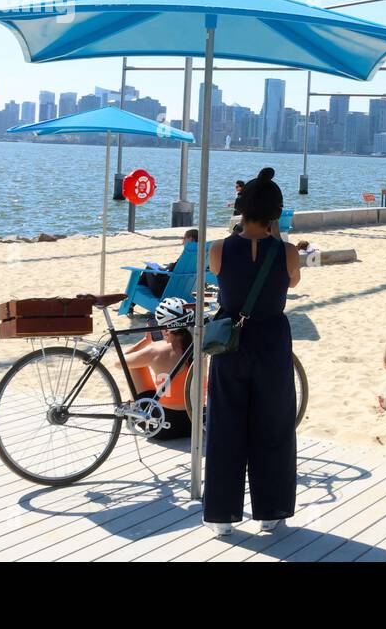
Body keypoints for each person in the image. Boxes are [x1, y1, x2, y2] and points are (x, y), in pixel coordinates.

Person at [202, 167, 302, 537]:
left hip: (231, 342)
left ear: (240, 211)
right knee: (274, 426)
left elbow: (222, 277)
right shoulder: (288, 253)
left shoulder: (219, 249)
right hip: (272, 341)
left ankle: (220, 515)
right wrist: (274, 236)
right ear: (275, 213)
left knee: (226, 425)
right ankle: (271, 510)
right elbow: (292, 281)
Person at [122, 296, 194, 440]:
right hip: (192, 423)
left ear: (165, 327)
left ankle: (133, 409)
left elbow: (120, 362)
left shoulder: (155, 352)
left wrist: (145, 341)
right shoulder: (199, 348)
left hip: (162, 427)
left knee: (135, 366)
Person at [139, 228, 200, 298]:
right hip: (184, 290)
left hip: (164, 291)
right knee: (149, 275)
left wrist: (162, 270)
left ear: (191, 239)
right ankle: (131, 304)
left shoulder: (188, 253)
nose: (182, 242)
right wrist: (169, 266)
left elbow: (173, 272)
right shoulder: (199, 255)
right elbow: (177, 269)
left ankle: (130, 303)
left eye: (184, 238)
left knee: (148, 268)